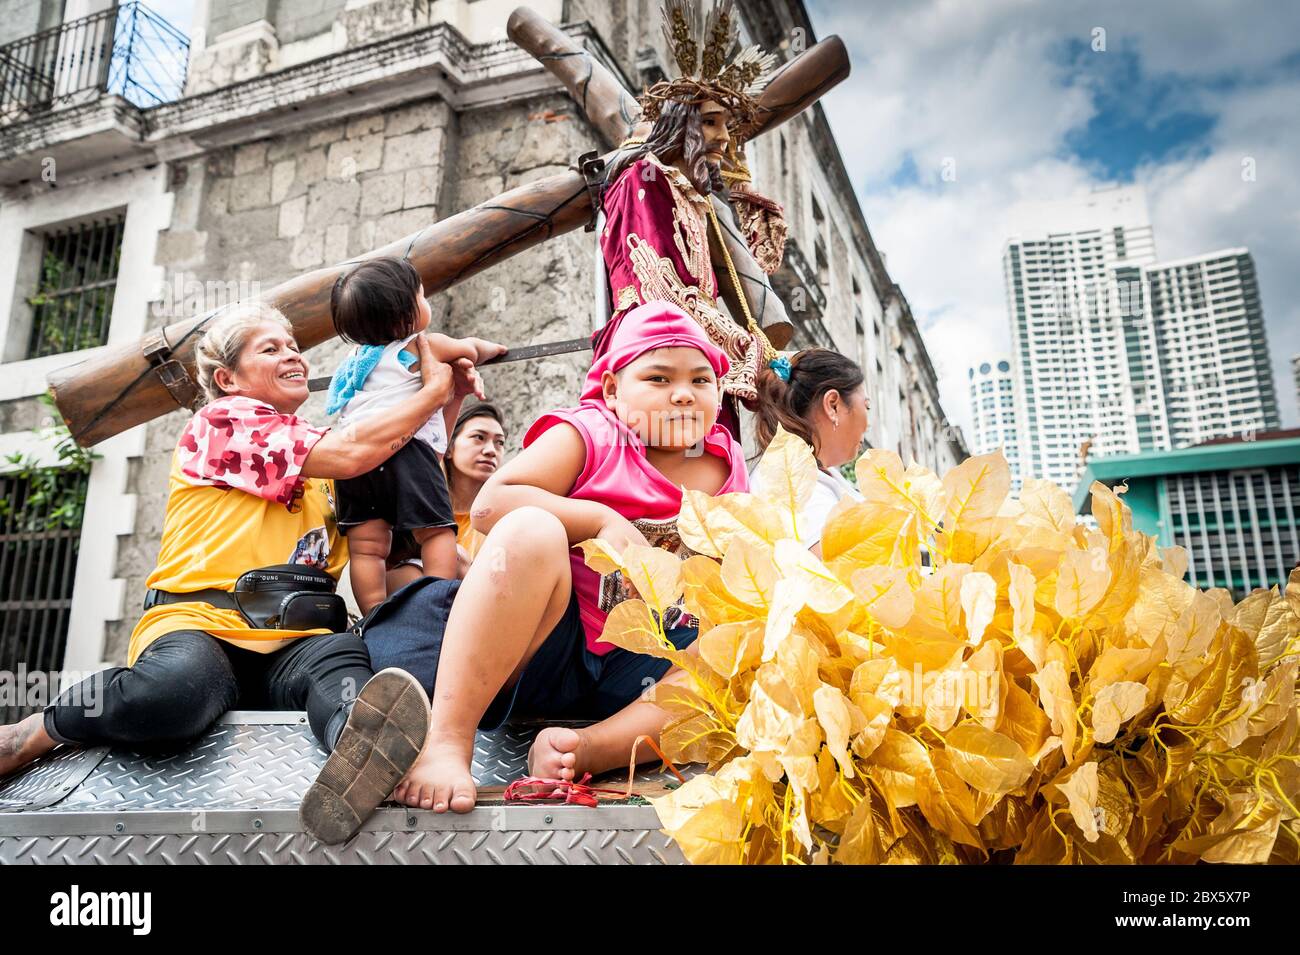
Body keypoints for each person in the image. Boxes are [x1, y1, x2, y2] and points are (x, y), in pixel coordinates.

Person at [0, 302, 460, 845]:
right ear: (227, 378)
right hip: (202, 624)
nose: (292, 355)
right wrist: (430, 391)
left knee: (345, 679)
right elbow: (357, 449)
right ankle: (34, 731)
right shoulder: (222, 422)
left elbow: (402, 472)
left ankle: (365, 756)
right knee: (173, 694)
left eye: (293, 347)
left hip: (299, 640)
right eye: (271, 348)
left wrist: (445, 408)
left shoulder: (321, 453)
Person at [360, 301, 748, 813]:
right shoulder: (591, 433)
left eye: (702, 380)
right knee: (530, 529)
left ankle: (586, 750)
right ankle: (448, 741)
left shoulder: (726, 463)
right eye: (657, 378)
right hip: (546, 644)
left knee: (738, 643)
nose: (682, 393)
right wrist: (599, 520)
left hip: (637, 669)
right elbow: (490, 505)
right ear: (613, 390)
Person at [589, 0, 785, 433]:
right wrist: (743, 346)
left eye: (727, 127)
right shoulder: (644, 178)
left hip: (698, 363)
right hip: (657, 361)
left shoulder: (693, 198)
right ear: (683, 124)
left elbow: (751, 270)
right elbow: (658, 289)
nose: (723, 138)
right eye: (712, 122)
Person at [326, 256, 504, 613]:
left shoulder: (352, 367)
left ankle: (373, 612)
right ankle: (439, 595)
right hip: (404, 452)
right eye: (421, 296)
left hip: (356, 457)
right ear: (406, 314)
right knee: (437, 531)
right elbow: (469, 349)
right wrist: (491, 349)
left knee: (366, 547)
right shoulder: (419, 345)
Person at [750, 348, 870, 555]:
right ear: (833, 405)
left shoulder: (804, 474)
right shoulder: (795, 487)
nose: (868, 425)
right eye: (866, 406)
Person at [385, 401, 508, 590]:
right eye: (479, 437)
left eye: (499, 442)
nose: (491, 450)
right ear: (449, 447)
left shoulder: (503, 517)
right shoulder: (419, 501)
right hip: (416, 604)